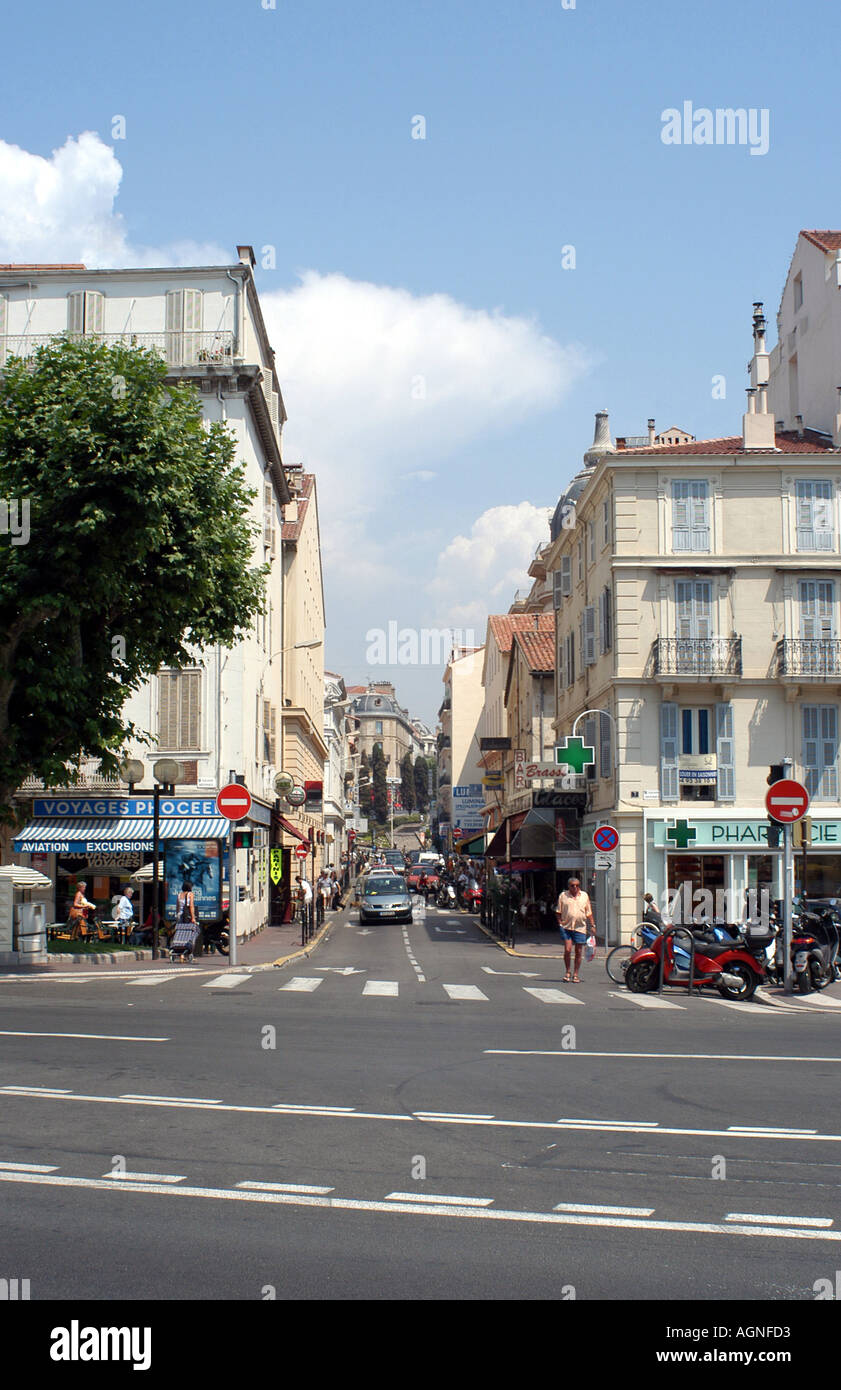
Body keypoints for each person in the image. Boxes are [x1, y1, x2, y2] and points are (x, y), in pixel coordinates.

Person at [556, 877, 596, 984]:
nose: (575, 887)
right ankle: (568, 972)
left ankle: (576, 974)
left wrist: (592, 925)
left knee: (578, 951)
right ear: (568, 886)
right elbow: (558, 912)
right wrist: (560, 923)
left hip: (580, 927)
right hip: (566, 927)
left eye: (577, 885)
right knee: (568, 950)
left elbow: (589, 912)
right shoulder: (563, 896)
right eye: (572, 885)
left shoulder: (584, 896)